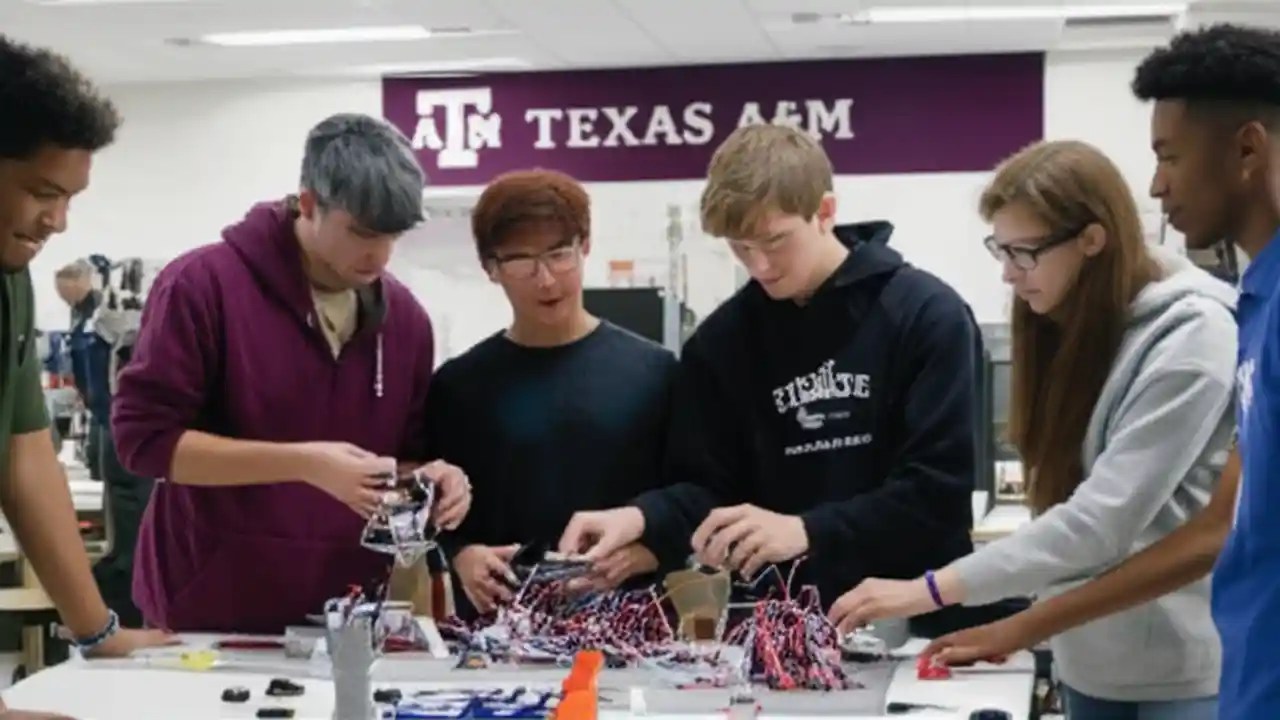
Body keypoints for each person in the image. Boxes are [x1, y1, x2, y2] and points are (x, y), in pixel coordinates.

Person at [916, 25, 1280, 720]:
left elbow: (1122, 525)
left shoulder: (1204, 325)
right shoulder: (1260, 303)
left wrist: (936, 592)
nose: (1156, 184)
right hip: (1183, 666)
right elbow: (1229, 521)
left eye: (1170, 155)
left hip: (1203, 673)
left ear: (1247, 149)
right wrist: (1028, 624)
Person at [827, 139, 1235, 718]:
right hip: (1088, 659)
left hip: (1181, 675)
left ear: (1092, 240)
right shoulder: (1071, 321)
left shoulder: (1194, 337)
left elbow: (1101, 522)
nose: (1009, 274)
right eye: (1000, 249)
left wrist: (931, 589)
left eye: (1024, 253)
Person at [559, 124, 988, 635]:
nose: (759, 265)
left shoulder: (925, 315)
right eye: (740, 248)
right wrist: (641, 518)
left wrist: (806, 530)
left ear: (825, 212)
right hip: (777, 632)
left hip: (920, 625)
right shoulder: (722, 343)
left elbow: (938, 494)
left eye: (775, 241)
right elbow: (709, 487)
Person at [111, 113, 472, 634]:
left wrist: (432, 483)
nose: (379, 254)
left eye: (393, 236)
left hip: (349, 614)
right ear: (309, 204)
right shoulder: (202, 286)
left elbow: (400, 458)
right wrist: (303, 463)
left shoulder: (406, 320)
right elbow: (143, 443)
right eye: (362, 232)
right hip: (207, 610)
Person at [0, 32, 173, 718]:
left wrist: (96, 630)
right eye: (42, 192)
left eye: (70, 197)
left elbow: (25, 456)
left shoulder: (12, 286)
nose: (59, 222)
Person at [427, 169, 679, 617]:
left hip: (631, 633)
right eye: (522, 262)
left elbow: (696, 493)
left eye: (560, 255)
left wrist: (648, 550)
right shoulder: (458, 386)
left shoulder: (655, 372)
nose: (545, 280)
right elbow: (436, 507)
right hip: (499, 634)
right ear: (491, 269)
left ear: (585, 247)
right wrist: (460, 555)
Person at [54, 259, 102, 476]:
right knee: (96, 461)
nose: (61, 297)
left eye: (63, 290)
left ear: (79, 284)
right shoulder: (79, 311)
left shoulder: (98, 311)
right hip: (90, 394)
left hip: (101, 396)